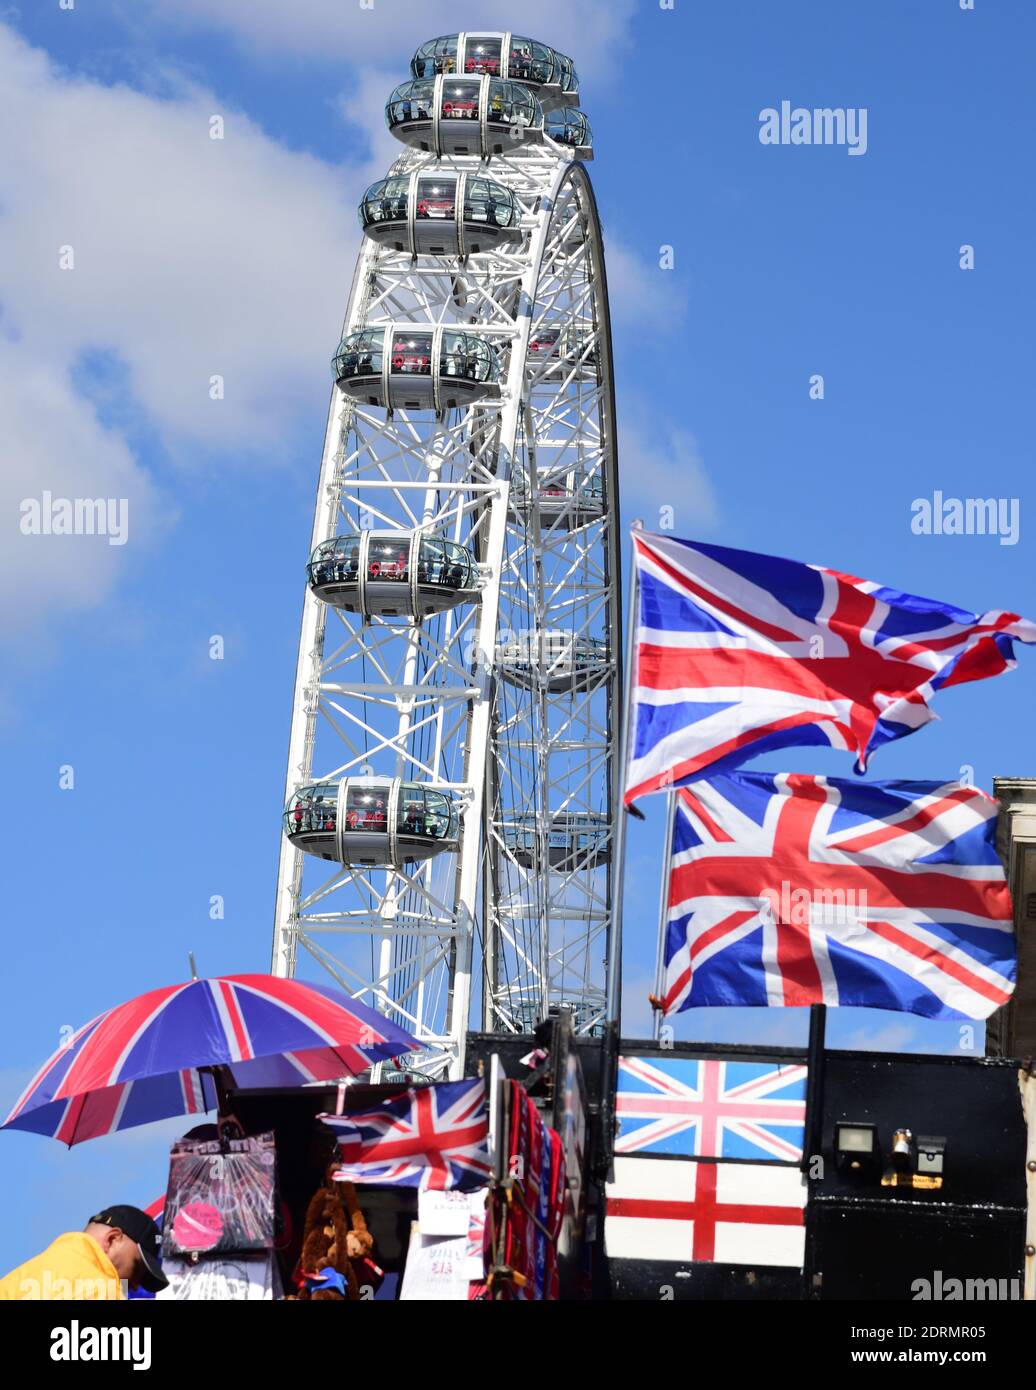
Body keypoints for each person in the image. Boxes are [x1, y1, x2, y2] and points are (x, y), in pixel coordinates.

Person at [0, 1205, 167, 1300]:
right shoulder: (101, 1292)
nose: (136, 1284)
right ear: (112, 1239)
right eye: (136, 1269)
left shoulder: (17, 1279)